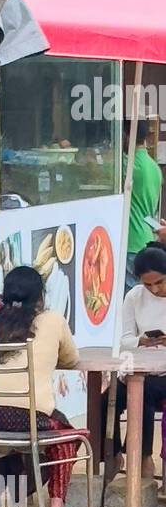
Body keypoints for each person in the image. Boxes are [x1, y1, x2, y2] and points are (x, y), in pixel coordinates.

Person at [0, 265, 80, 507]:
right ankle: (56, 505)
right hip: (31, 416)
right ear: (40, 296)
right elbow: (71, 359)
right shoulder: (52, 320)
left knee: (45, 431)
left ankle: (4, 493)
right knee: (68, 438)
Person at [106, 244, 166, 477]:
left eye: (160, 282)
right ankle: (112, 455)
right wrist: (142, 341)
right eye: (148, 284)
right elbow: (123, 340)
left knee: (143, 393)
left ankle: (143, 458)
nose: (155, 289)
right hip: (140, 365)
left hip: (160, 375)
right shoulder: (134, 296)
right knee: (105, 402)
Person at [125, 120, 166, 292]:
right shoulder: (154, 167)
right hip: (146, 237)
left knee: (134, 297)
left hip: (130, 240)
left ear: (126, 137)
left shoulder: (127, 166)